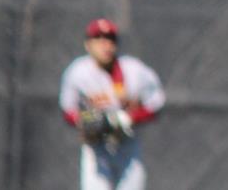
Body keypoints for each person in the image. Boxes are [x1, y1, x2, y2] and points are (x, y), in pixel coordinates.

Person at [59, 18, 166, 190]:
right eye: (99, 38)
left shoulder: (135, 70)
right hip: (96, 148)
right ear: (88, 44)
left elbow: (157, 103)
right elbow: (68, 111)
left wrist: (129, 117)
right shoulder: (78, 72)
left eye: (110, 38)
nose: (105, 44)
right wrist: (85, 119)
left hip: (127, 145)